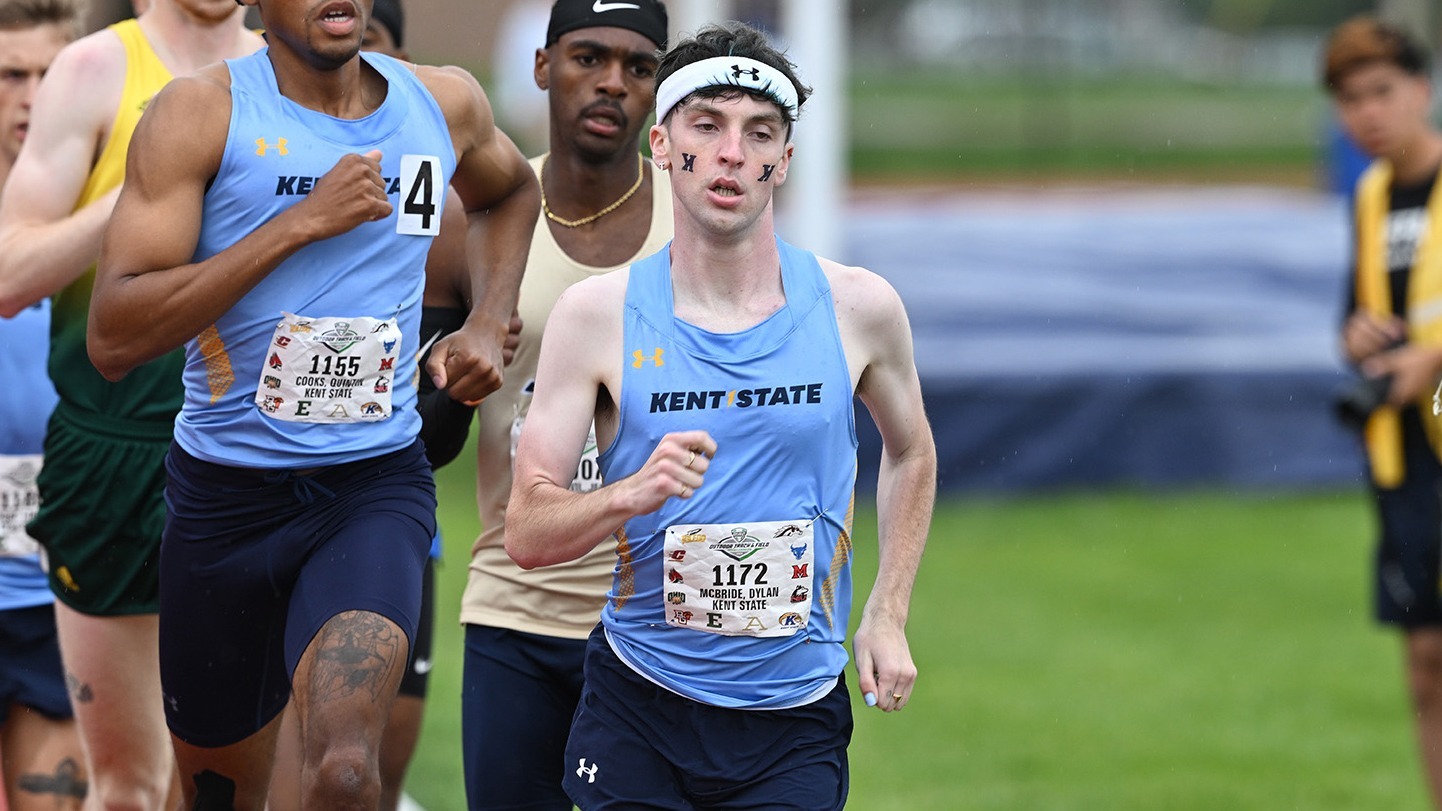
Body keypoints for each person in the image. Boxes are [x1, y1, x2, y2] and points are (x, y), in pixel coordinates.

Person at [86, 0, 538, 805]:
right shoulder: (200, 114)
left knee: (345, 767)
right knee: (218, 794)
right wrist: (298, 224)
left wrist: (485, 318)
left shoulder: (441, 104)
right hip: (224, 497)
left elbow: (509, 194)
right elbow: (115, 334)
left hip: (368, 485)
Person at [506, 20, 936, 809]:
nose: (733, 151)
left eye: (759, 131)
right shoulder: (596, 316)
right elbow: (527, 533)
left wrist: (888, 608)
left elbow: (911, 453)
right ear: (663, 146)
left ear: (784, 160)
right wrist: (628, 493)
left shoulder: (858, 308)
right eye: (708, 124)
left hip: (793, 716)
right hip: (640, 702)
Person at [0, 3, 261, 808]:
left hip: (250, 453)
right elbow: (10, 274)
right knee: (128, 788)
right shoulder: (93, 71)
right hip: (110, 451)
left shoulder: (289, 71)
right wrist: (141, 191)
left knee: (230, 788)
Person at [261, 2, 508, 808]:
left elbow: (485, 248)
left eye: (377, 60)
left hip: (379, 502)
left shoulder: (430, 157)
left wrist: (471, 336)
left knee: (355, 772)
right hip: (241, 492)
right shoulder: (245, 139)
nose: (358, 92)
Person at [458, 1, 671, 807]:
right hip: (516, 606)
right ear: (543, 67)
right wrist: (449, 374)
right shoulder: (481, 216)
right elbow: (430, 426)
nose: (612, 82)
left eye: (638, 66)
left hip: (656, 623)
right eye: (588, 58)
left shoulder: (700, 226)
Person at [1323, 16, 1442, 809]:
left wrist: (1432, 357)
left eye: (1381, 92)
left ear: (1423, 90)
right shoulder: (1369, 194)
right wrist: (1356, 337)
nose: (1366, 112)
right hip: (1405, 458)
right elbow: (1356, 317)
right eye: (1347, 98)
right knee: (1425, 658)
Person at [0, 4, 87, 808]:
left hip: (61, 586)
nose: (30, 96)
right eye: (10, 75)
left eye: (47, 75)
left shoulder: (123, 215)